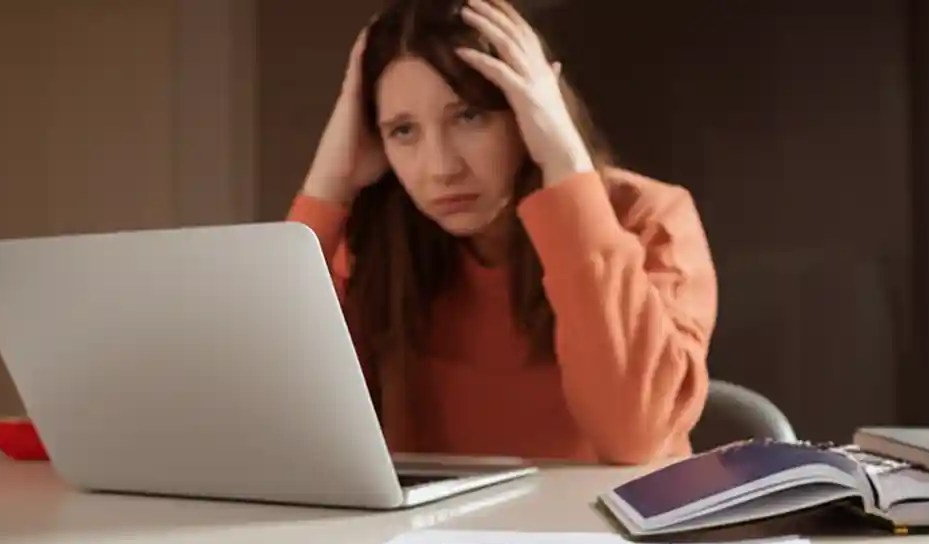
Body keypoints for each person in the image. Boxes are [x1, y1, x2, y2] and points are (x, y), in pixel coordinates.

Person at [288, 0, 718, 465]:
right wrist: (327, 184)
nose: (440, 169)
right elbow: (272, 417)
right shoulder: (379, 239)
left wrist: (564, 164)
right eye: (403, 130)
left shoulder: (647, 216)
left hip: (602, 533)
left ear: (531, 110)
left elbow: (633, 436)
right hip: (429, 536)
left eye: (470, 116)